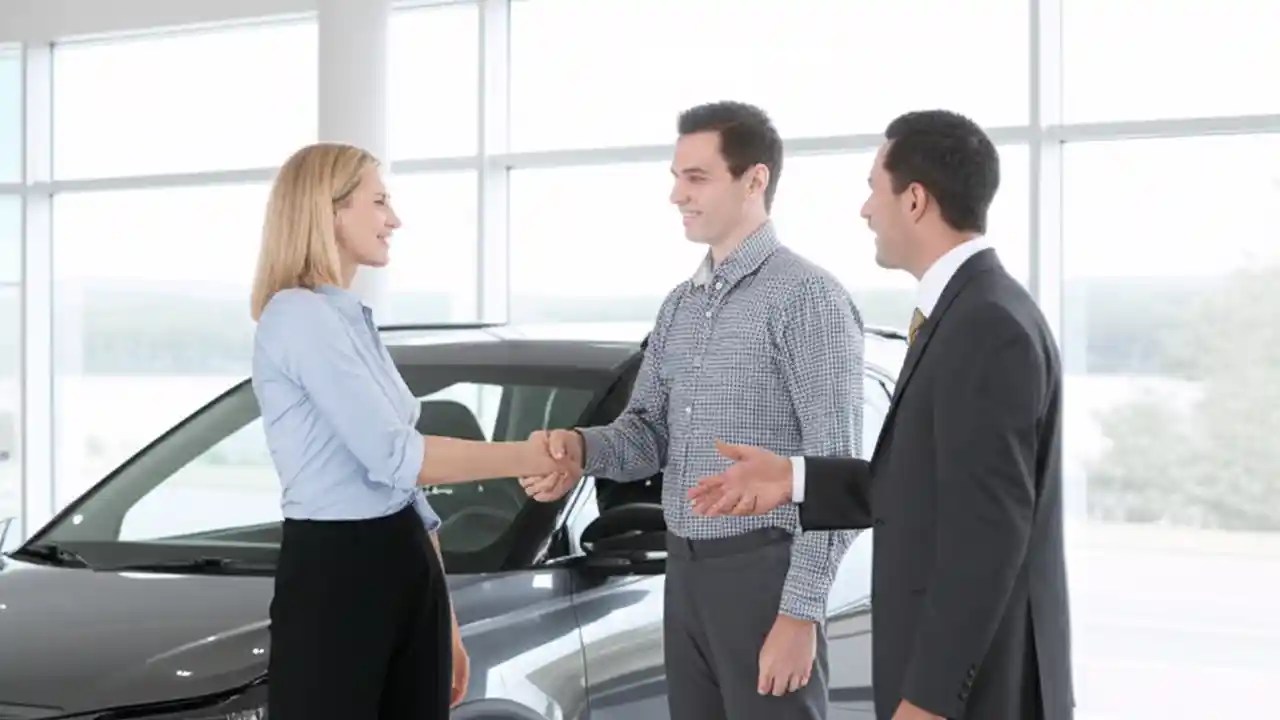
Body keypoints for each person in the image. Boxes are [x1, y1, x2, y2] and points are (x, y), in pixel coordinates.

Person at [687, 110, 1074, 720]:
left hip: (976, 694)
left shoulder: (987, 326)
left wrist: (928, 702)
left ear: (915, 199)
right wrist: (797, 477)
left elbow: (986, 537)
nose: (866, 210)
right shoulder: (965, 311)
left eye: (874, 188)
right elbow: (924, 488)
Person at [519, 101, 864, 720]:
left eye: (696, 177)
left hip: (766, 572)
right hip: (684, 574)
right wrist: (581, 448)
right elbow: (647, 433)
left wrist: (799, 613)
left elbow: (836, 472)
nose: (677, 195)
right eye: (676, 177)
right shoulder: (680, 305)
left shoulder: (808, 298)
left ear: (754, 181)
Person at [248, 142, 578, 720]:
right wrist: (527, 454)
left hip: (403, 560)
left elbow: (407, 495)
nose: (393, 219)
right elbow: (399, 458)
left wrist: (443, 616)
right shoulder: (297, 316)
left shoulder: (347, 318)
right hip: (339, 574)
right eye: (378, 201)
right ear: (328, 212)